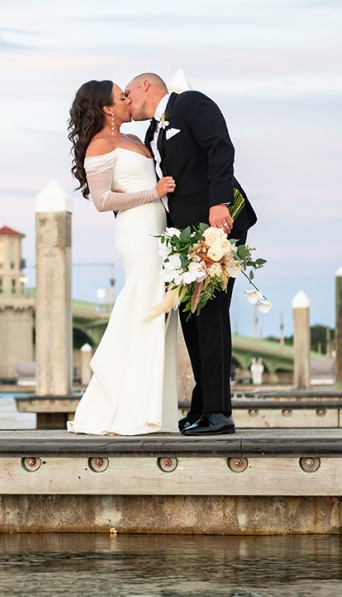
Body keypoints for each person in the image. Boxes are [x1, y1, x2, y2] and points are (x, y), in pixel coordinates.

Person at [123, 72, 257, 436]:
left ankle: (219, 412)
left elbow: (220, 147)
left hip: (217, 229)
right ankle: (202, 406)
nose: (125, 99)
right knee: (191, 321)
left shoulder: (191, 103)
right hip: (182, 241)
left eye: (127, 91)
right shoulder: (152, 132)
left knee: (211, 318)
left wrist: (219, 203)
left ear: (146, 86)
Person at [66, 80, 180, 435]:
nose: (128, 100)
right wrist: (153, 192)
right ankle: (125, 406)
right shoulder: (101, 144)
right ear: (107, 108)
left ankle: (151, 406)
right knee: (143, 303)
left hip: (158, 228)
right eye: (121, 96)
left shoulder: (135, 139)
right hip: (136, 231)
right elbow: (101, 201)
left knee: (158, 307)